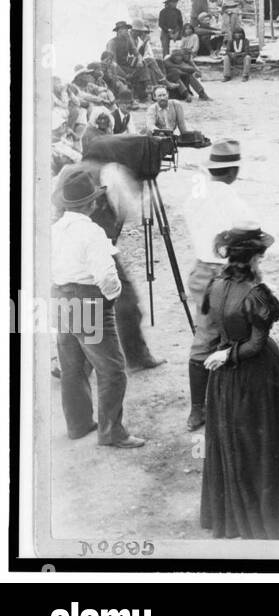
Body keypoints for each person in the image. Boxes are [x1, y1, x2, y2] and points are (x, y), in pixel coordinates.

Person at [199, 224, 279, 538]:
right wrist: (230, 355)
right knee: (268, 438)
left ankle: (236, 516)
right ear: (254, 258)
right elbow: (255, 345)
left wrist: (222, 353)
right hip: (256, 374)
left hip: (224, 378)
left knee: (233, 439)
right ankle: (273, 515)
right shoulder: (257, 293)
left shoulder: (213, 284)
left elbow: (211, 330)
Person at [50, 171, 147, 448]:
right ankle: (111, 431)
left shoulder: (56, 229)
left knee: (72, 365)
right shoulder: (92, 232)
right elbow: (106, 275)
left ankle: (78, 424)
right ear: (91, 203)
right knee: (112, 369)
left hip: (60, 296)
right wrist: (111, 297)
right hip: (87, 297)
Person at [180, 139, 255, 430]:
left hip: (201, 267)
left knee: (204, 333)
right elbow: (251, 228)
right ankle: (228, 400)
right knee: (238, 334)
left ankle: (197, 408)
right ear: (234, 171)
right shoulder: (230, 198)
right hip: (227, 272)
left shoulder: (197, 193)